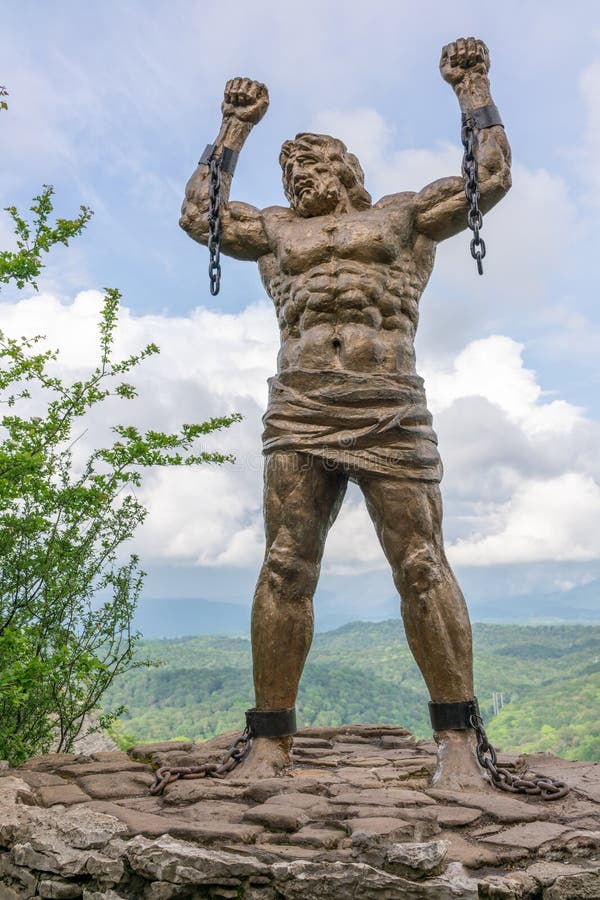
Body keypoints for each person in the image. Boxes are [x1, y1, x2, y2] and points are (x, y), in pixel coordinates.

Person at [180, 37, 511, 786]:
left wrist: (472, 89)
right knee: (286, 567)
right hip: (299, 406)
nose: (299, 175)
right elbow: (198, 215)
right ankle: (269, 741)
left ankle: (457, 740)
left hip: (388, 401)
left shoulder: (401, 218)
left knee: (421, 564)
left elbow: (488, 177)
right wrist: (233, 130)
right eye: (291, 168)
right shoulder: (273, 230)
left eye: (315, 163)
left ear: (349, 174)